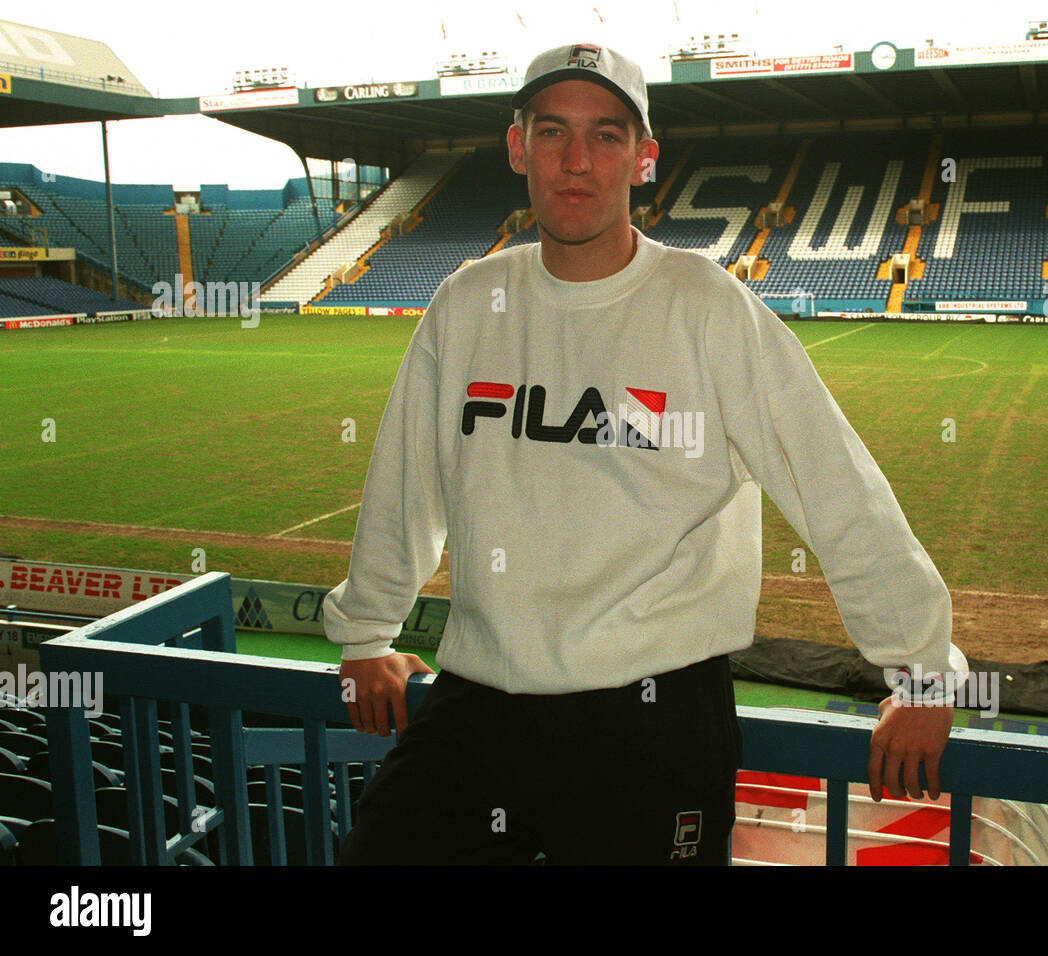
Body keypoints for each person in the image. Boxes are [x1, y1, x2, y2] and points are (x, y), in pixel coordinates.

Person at [322, 42, 967, 865]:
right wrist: (367, 634)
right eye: (552, 133)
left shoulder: (705, 306)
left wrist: (921, 667)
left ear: (644, 157)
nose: (577, 161)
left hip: (652, 724)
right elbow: (405, 485)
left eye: (607, 135)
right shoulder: (468, 303)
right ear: (518, 146)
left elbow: (834, 481)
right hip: (479, 705)